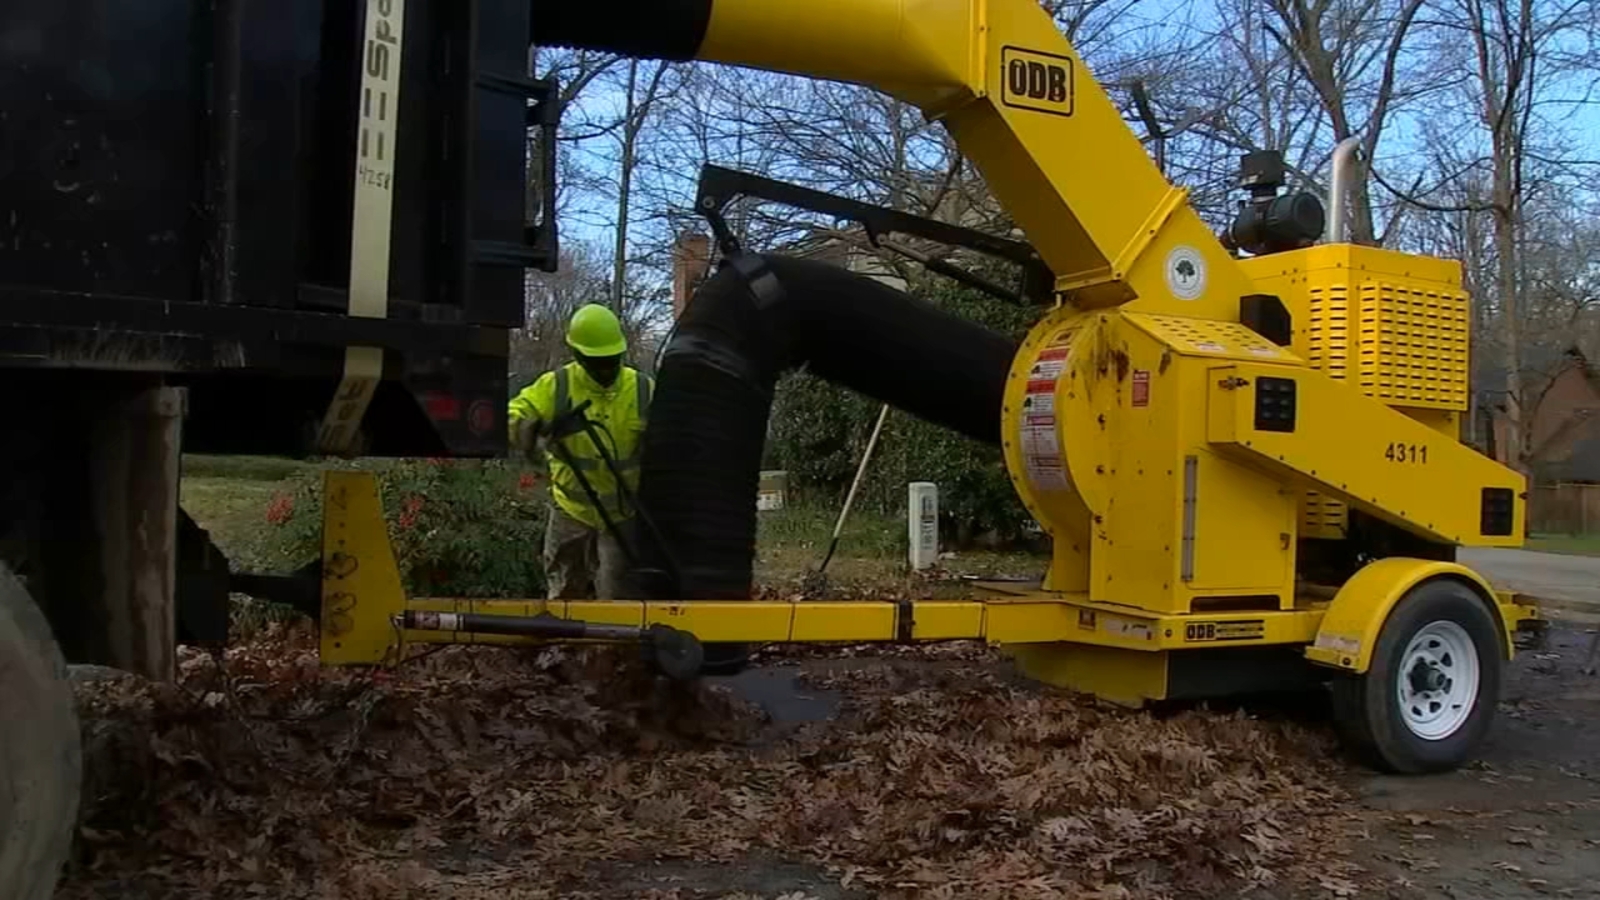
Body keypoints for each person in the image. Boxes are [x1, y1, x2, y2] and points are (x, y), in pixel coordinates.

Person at [507, 304, 653, 600]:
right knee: (564, 593)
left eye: (611, 361)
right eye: (597, 362)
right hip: (571, 511)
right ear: (578, 356)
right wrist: (526, 427)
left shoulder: (642, 390)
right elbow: (512, 414)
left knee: (619, 597)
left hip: (623, 514)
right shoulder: (556, 386)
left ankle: (613, 645)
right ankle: (565, 645)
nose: (606, 369)